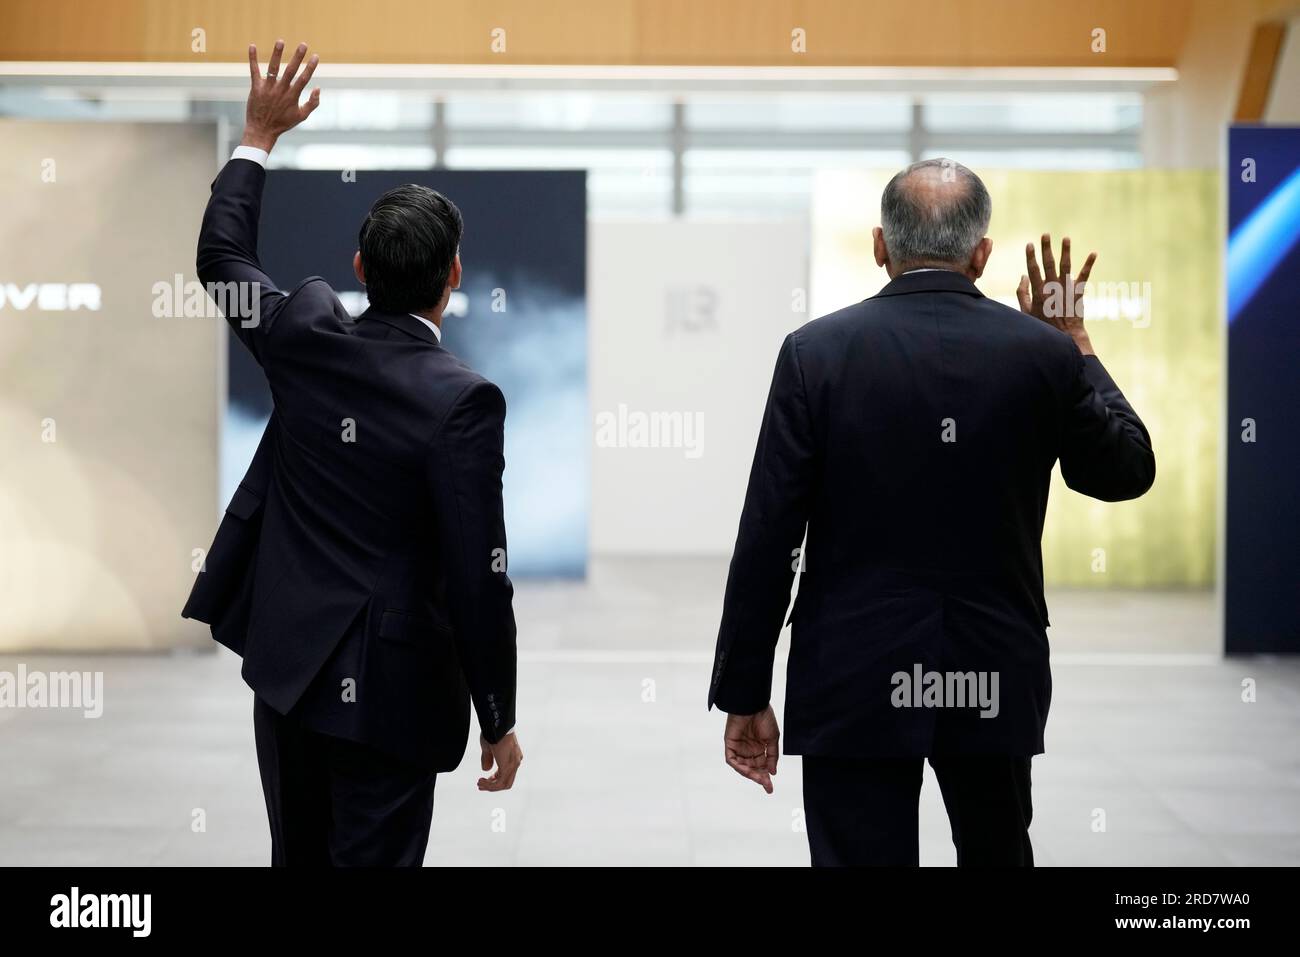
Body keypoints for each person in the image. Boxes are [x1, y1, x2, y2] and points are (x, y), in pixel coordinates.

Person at [708, 158, 1155, 866]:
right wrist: (1075, 340)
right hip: (993, 673)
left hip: (852, 677)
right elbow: (1127, 469)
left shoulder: (814, 354)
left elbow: (768, 538)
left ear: (881, 246)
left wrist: (745, 690)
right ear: (982, 254)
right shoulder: (1043, 354)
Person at [182, 40, 522, 866]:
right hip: (392, 703)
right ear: (454, 278)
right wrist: (498, 716)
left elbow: (221, 259)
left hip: (290, 679)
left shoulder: (304, 336)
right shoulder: (461, 400)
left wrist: (258, 135)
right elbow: (480, 571)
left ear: (361, 267)